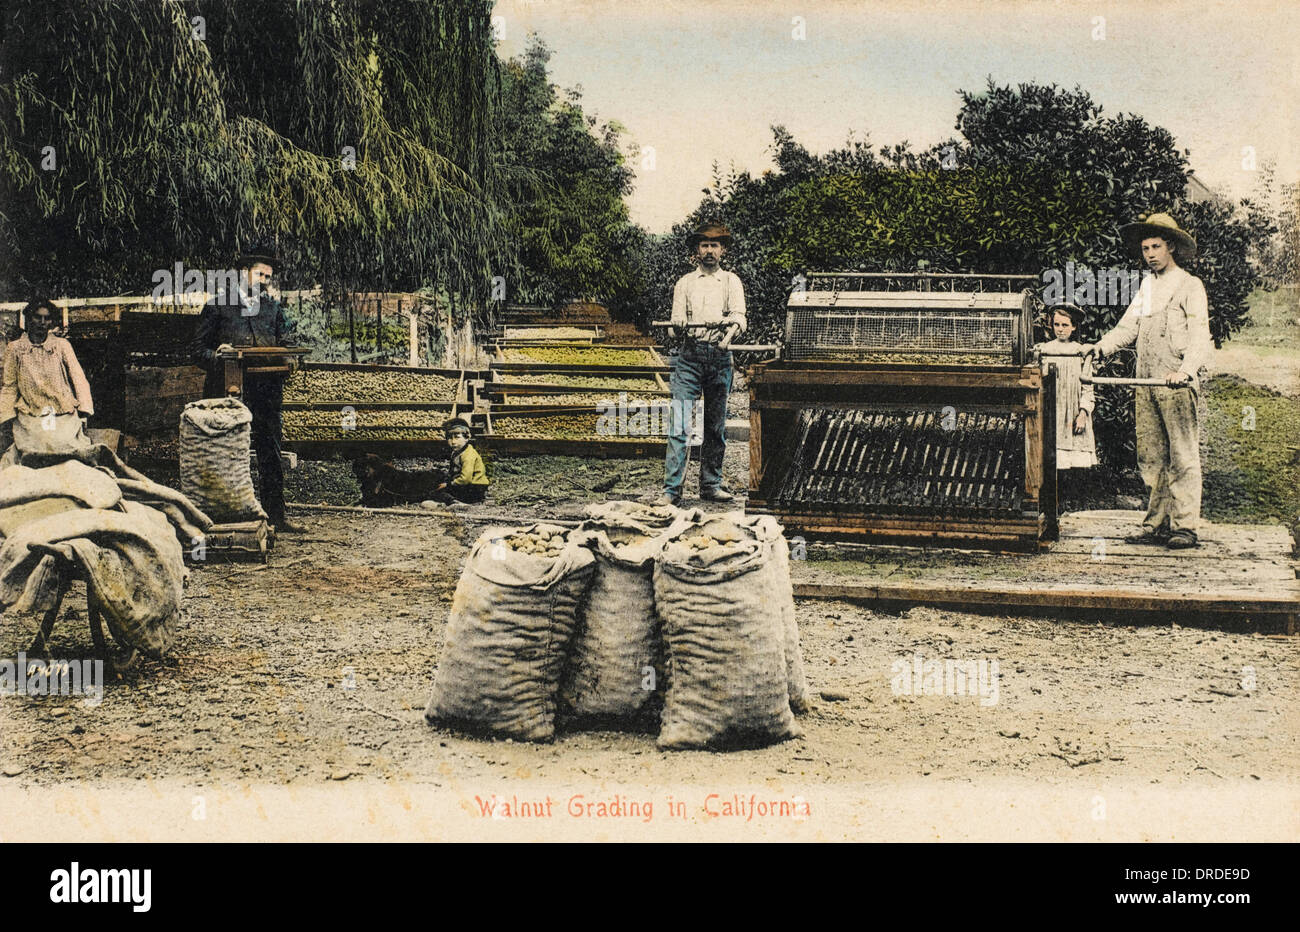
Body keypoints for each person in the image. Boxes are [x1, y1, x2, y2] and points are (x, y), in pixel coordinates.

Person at [1083, 213, 1213, 549]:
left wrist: (1184, 372)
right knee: (1151, 454)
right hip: (1147, 381)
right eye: (1145, 248)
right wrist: (1101, 347)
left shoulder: (1190, 286)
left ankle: (1185, 526)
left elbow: (1201, 338)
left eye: (1156, 246)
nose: (1150, 253)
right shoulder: (1147, 287)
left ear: (1170, 247)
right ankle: (1157, 524)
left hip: (1176, 382)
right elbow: (1129, 328)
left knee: (1182, 455)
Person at [191, 245, 305, 532]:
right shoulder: (218, 305)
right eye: (259, 274)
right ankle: (225, 519)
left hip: (266, 391)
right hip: (227, 393)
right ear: (243, 273)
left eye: (268, 276)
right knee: (226, 453)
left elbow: (288, 343)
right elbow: (196, 351)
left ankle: (275, 517)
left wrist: (291, 359)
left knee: (271, 451)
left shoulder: (273, 309)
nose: (263, 281)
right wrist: (218, 356)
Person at [657, 222, 746, 506]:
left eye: (715, 246)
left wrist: (728, 327)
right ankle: (672, 490)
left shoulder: (731, 281)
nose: (709, 251)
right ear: (697, 250)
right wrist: (679, 326)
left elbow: (740, 318)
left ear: (723, 250)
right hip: (690, 357)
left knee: (715, 426)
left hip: (720, 358)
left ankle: (710, 485)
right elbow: (672, 329)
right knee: (680, 423)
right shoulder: (685, 283)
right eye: (704, 245)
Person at [0, 297, 96, 465]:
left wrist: (84, 410)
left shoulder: (61, 346)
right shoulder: (15, 349)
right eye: (37, 317)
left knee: (62, 446)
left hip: (61, 412)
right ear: (28, 319)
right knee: (37, 448)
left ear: (52, 321)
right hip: (31, 413)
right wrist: (5, 417)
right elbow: (9, 386)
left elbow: (78, 377)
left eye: (47, 318)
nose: (42, 322)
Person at [1033, 303, 1098, 508]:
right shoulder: (1044, 350)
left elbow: (1088, 387)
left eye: (1065, 325)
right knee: (1051, 456)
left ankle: (1074, 503)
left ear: (1074, 327)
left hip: (1072, 409)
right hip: (1052, 408)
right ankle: (1052, 503)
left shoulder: (1080, 352)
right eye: (1056, 324)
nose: (1060, 329)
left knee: (1073, 458)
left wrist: (1083, 412)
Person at [434, 418, 488, 506]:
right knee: (438, 491)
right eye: (450, 438)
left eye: (457, 437)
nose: (453, 442)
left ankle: (456, 503)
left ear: (466, 438)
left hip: (474, 486)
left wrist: (448, 484)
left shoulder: (468, 454)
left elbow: (466, 478)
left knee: (440, 493)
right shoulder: (456, 453)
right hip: (465, 484)